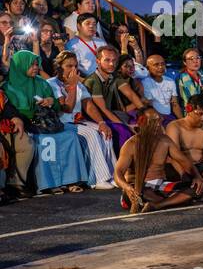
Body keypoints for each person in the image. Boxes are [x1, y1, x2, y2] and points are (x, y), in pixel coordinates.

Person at [3, 49, 89, 194]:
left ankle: (69, 180)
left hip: (44, 123)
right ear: (20, 65)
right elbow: (10, 110)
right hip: (25, 123)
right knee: (42, 140)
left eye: (37, 64)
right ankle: (47, 183)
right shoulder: (7, 86)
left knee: (69, 137)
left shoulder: (42, 83)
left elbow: (58, 106)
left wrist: (50, 101)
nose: (36, 67)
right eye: (32, 65)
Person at [47, 50, 115, 189]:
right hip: (62, 122)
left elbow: (88, 105)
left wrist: (101, 123)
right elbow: (67, 108)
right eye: (69, 66)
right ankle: (97, 179)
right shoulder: (52, 84)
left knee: (105, 132)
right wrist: (72, 86)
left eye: (75, 66)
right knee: (91, 134)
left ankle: (113, 175)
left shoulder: (78, 84)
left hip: (78, 121)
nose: (73, 69)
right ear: (59, 67)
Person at [114, 109, 202, 213]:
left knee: (194, 189)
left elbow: (185, 162)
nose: (157, 125)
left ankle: (158, 205)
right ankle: (172, 202)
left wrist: (197, 177)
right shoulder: (131, 144)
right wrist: (127, 187)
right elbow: (117, 173)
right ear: (143, 123)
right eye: (153, 121)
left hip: (160, 186)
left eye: (158, 121)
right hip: (139, 187)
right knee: (142, 193)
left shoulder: (165, 141)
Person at [82, 45, 136, 150]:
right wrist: (125, 125)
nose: (111, 64)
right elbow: (104, 109)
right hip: (94, 118)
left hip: (110, 114)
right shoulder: (93, 80)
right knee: (122, 130)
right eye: (107, 60)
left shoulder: (113, 77)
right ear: (98, 61)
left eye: (114, 60)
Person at [138, 54, 181, 121]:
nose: (160, 67)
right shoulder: (144, 83)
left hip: (169, 117)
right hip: (154, 118)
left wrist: (181, 121)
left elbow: (175, 104)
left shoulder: (170, 81)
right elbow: (149, 105)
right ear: (148, 68)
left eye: (163, 64)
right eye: (156, 65)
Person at [66, 10, 109, 77]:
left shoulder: (101, 42)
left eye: (94, 24)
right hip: (86, 80)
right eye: (87, 23)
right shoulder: (71, 45)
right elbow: (72, 68)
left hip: (106, 76)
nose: (91, 26)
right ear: (78, 26)